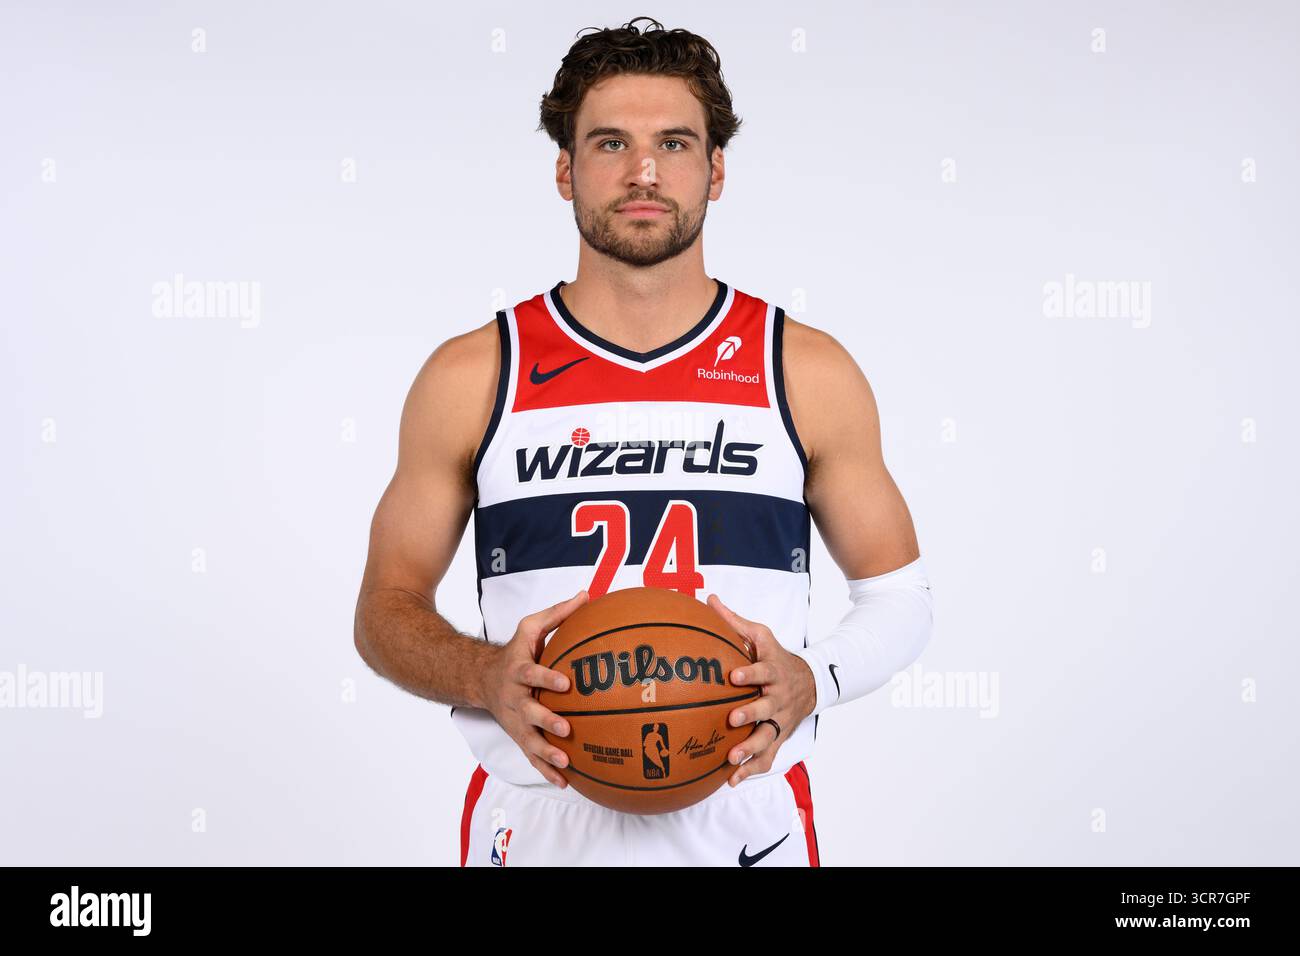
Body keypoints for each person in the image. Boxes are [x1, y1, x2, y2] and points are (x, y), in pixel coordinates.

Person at [353, 17, 934, 867]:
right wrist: (483, 677)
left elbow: (902, 598)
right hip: (538, 813)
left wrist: (815, 678)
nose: (644, 172)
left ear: (717, 169)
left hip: (744, 815)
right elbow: (383, 611)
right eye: (610, 143)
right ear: (565, 169)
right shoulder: (476, 373)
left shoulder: (802, 369)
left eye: (674, 142)